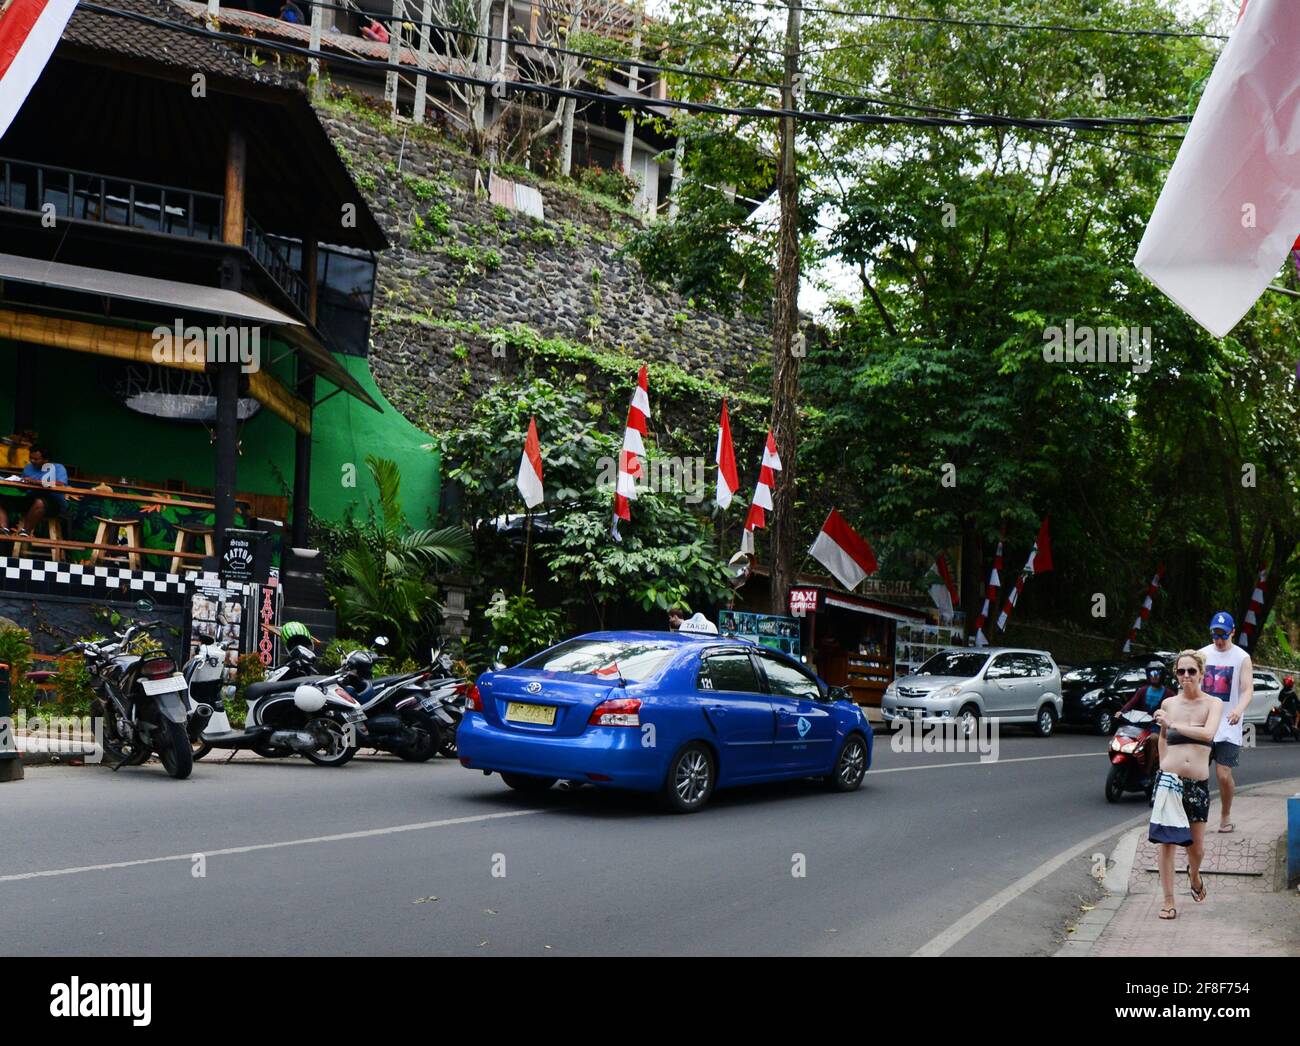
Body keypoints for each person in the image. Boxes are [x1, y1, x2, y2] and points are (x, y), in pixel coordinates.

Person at [1148, 649, 1219, 920]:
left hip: (1197, 783)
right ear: (1176, 674)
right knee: (1166, 844)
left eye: (1191, 671)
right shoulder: (1168, 704)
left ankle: (1195, 873)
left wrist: (1174, 724)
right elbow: (1164, 736)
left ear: (1202, 674)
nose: (1186, 676)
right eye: (1181, 671)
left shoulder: (1213, 704)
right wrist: (1165, 760)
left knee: (1196, 847)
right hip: (1169, 781)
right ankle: (1168, 901)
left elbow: (1208, 733)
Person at [1198, 612, 1253, 834]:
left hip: (1229, 726)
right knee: (1196, 773)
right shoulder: (1201, 654)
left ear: (1232, 632)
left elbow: (1247, 689)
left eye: (1223, 635)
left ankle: (1225, 814)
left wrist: (1239, 710)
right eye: (1215, 635)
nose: (1218, 640)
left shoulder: (1242, 658)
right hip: (1202, 724)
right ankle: (1196, 816)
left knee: (1223, 774)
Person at [1118, 660, 1173, 780]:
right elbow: (1131, 703)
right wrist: (1121, 712)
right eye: (1151, 674)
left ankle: (1147, 773)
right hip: (1141, 724)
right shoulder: (1142, 690)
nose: (1154, 677)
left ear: (1162, 675)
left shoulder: (1169, 694)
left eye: (1157, 674)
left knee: (1153, 739)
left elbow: (1174, 711)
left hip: (1157, 728)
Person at [0, 444, 68, 537]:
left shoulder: (58, 468)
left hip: (53, 504)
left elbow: (60, 484)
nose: (32, 461)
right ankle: (4, 529)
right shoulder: (28, 467)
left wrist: (37, 482)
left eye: (36, 459)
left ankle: (25, 532)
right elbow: (24, 484)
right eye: (30, 458)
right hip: (29, 499)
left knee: (40, 502)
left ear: (46, 460)